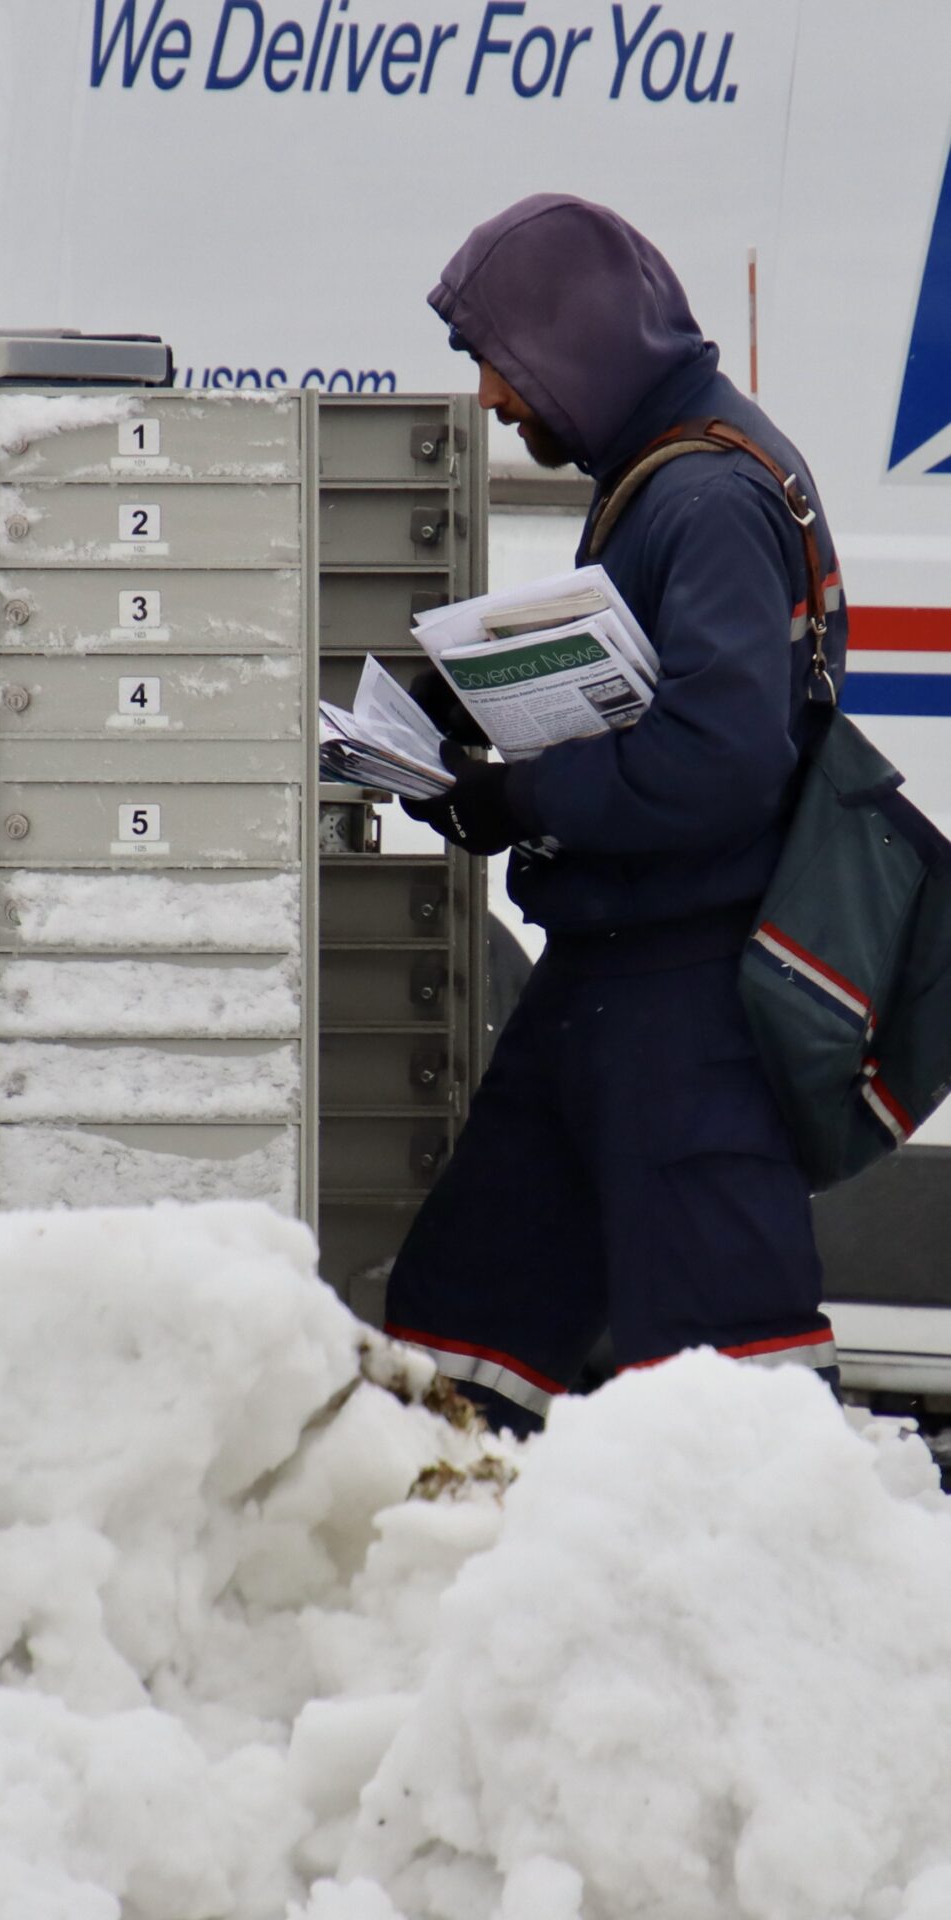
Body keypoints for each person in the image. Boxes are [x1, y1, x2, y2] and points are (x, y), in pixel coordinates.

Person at [385, 193, 847, 1436]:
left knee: (725, 1394)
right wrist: (487, 697)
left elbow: (717, 755)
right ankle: (432, 1568)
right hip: (606, 990)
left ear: (572, 343)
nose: (490, 397)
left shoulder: (703, 500)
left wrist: (519, 792)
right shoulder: (663, 477)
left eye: (499, 362)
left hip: (684, 1005)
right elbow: (654, 685)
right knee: (460, 1332)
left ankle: (760, 1619)